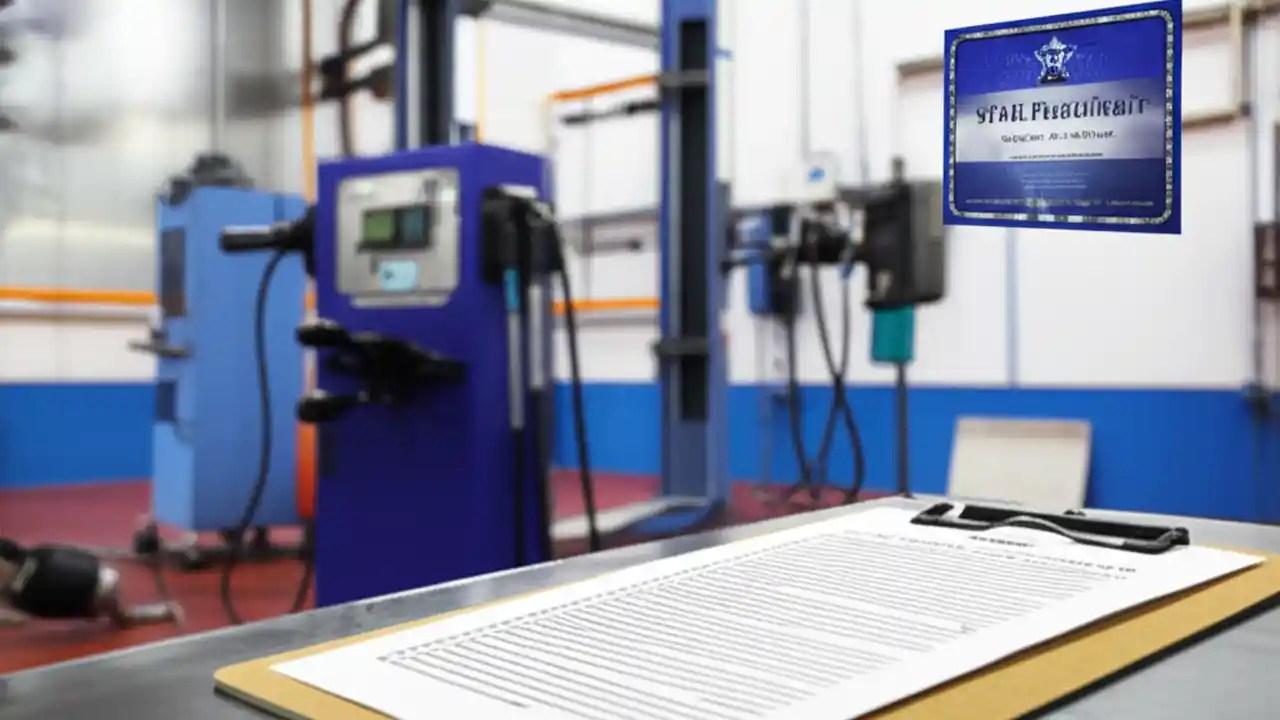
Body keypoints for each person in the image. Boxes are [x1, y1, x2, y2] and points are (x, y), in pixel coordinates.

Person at [0, 539, 179, 628]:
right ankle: (163, 612)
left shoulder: (21, 589)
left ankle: (163, 613)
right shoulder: (35, 559)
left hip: (98, 587)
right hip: (101, 584)